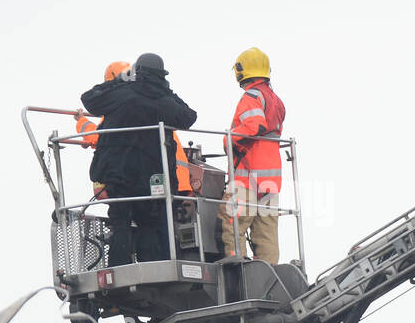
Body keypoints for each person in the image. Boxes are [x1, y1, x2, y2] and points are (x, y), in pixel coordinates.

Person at [80, 53, 197, 264]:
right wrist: (167, 90)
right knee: (149, 225)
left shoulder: (122, 93)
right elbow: (189, 116)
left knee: (121, 222)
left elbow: (89, 98)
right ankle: (153, 270)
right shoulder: (165, 101)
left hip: (119, 173)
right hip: (152, 178)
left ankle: (119, 269)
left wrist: (118, 81)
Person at [76, 60, 193, 195]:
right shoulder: (161, 105)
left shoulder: (120, 105)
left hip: (141, 182)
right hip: (176, 182)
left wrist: (81, 121)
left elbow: (97, 136)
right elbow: (188, 116)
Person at [218, 47, 286, 264]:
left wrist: (229, 138)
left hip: (247, 177)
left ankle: (237, 272)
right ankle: (269, 276)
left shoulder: (251, 96)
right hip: (270, 180)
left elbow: (254, 125)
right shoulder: (275, 100)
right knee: (266, 234)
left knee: (231, 222)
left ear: (241, 71)